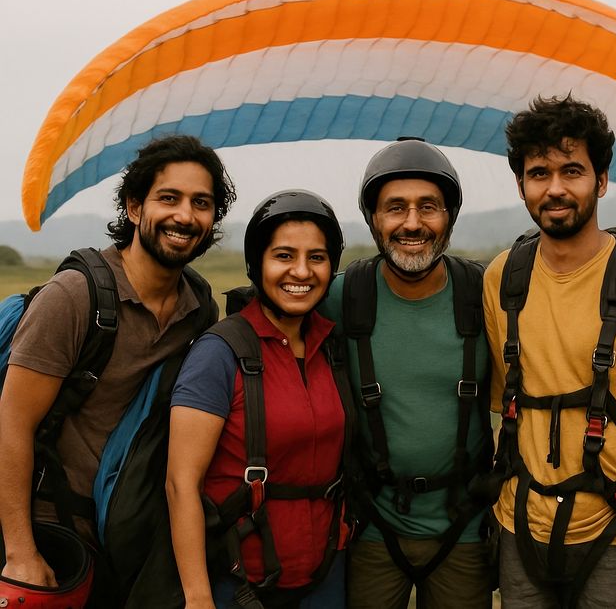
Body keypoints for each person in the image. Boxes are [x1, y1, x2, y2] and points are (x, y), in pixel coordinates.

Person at [482, 95, 616, 608]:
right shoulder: (502, 279)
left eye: (572, 170)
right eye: (539, 173)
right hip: (520, 530)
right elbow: (501, 403)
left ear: (601, 180)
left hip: (614, 535)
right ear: (521, 185)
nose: (555, 188)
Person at [0, 134, 235, 601]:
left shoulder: (199, 308)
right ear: (133, 207)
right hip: (55, 535)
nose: (185, 216)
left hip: (132, 539)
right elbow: (11, 424)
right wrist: (21, 552)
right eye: (168, 198)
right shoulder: (74, 296)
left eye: (201, 203)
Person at [319, 138, 493, 609]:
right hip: (373, 526)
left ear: (449, 218)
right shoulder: (341, 297)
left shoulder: (486, 296)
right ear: (373, 219)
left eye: (428, 207)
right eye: (395, 208)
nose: (412, 223)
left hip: (465, 528)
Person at [166, 190, 351, 608]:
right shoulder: (219, 353)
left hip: (324, 573)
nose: (301, 271)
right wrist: (198, 598)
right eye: (284, 255)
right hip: (239, 581)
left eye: (317, 257)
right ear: (257, 264)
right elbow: (181, 485)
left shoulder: (331, 346)